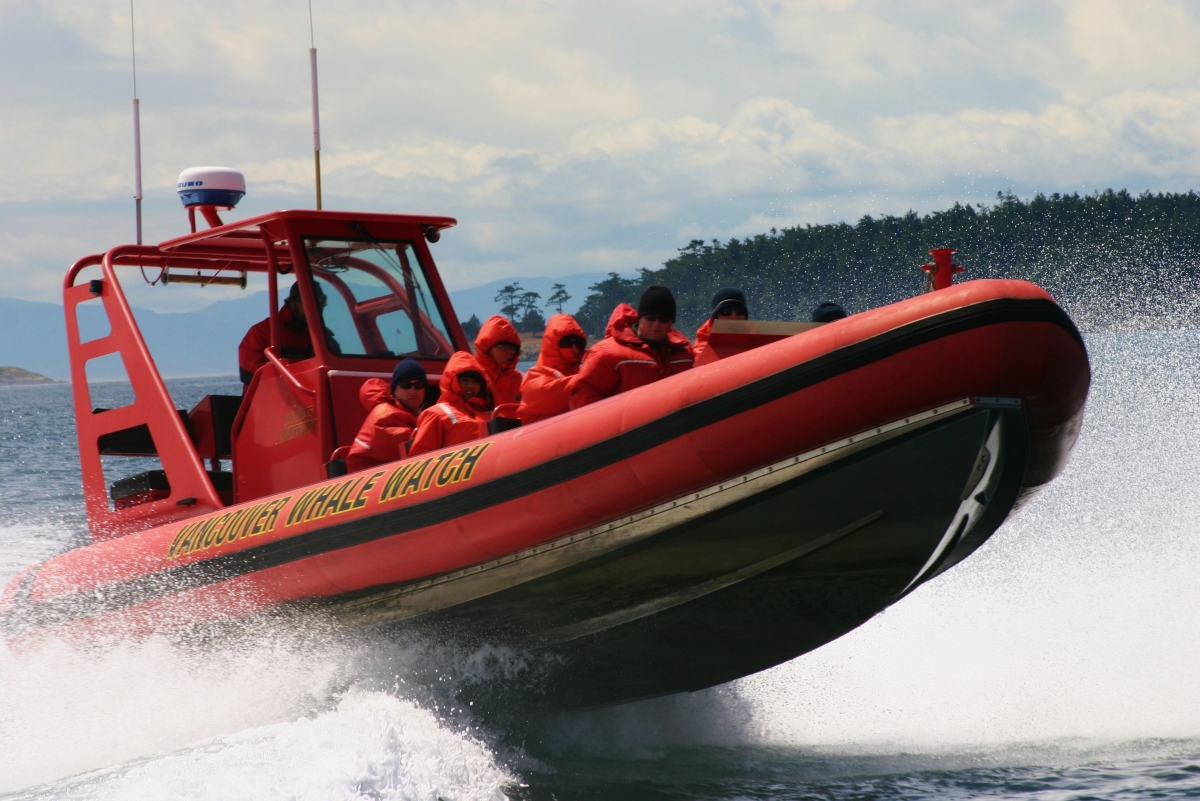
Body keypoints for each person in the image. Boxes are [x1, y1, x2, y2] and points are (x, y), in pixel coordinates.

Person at [570, 286, 694, 409]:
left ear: (671, 322)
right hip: (629, 427)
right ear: (639, 319)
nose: (656, 323)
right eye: (650, 318)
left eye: (663, 319)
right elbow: (583, 395)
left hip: (678, 425)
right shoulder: (606, 353)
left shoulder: (685, 352)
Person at [238, 282, 339, 385]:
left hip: (313, 398)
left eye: (320, 302)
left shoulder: (326, 340)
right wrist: (289, 382)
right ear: (293, 303)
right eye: (310, 302)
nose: (317, 307)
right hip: (272, 398)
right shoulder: (263, 332)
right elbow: (249, 371)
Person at [346, 359, 427, 472]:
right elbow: (419, 444)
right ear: (394, 390)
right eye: (406, 385)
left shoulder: (414, 415)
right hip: (367, 481)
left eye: (419, 384)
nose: (413, 391)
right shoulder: (384, 414)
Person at [408, 352, 489, 455]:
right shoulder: (436, 414)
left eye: (476, 381)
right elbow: (420, 456)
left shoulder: (485, 413)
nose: (471, 385)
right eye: (465, 380)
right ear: (452, 380)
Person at [517, 314, 587, 424]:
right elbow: (546, 395)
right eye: (567, 343)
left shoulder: (587, 366)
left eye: (578, 344)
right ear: (553, 344)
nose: (574, 349)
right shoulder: (534, 375)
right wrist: (590, 379)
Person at [473, 315, 524, 408]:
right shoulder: (470, 380)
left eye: (513, 348)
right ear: (486, 349)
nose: (510, 352)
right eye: (503, 347)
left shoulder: (523, 381)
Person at [693, 287, 749, 361]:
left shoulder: (758, 336)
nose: (734, 317)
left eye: (740, 311)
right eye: (726, 311)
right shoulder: (703, 347)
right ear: (716, 317)